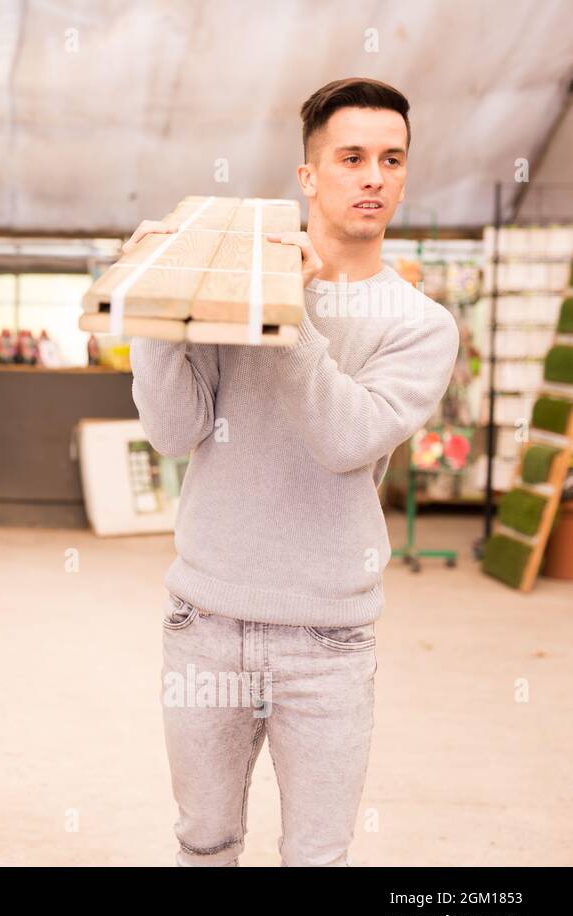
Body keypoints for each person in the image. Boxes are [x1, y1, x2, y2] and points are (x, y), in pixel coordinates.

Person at [127, 77, 459, 866]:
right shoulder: (228, 290)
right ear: (309, 176)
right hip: (204, 624)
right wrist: (155, 309)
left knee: (317, 856)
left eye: (391, 159)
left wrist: (288, 312)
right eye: (352, 158)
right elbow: (173, 433)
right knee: (204, 843)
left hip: (329, 638)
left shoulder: (421, 327)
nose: (374, 176)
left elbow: (345, 437)